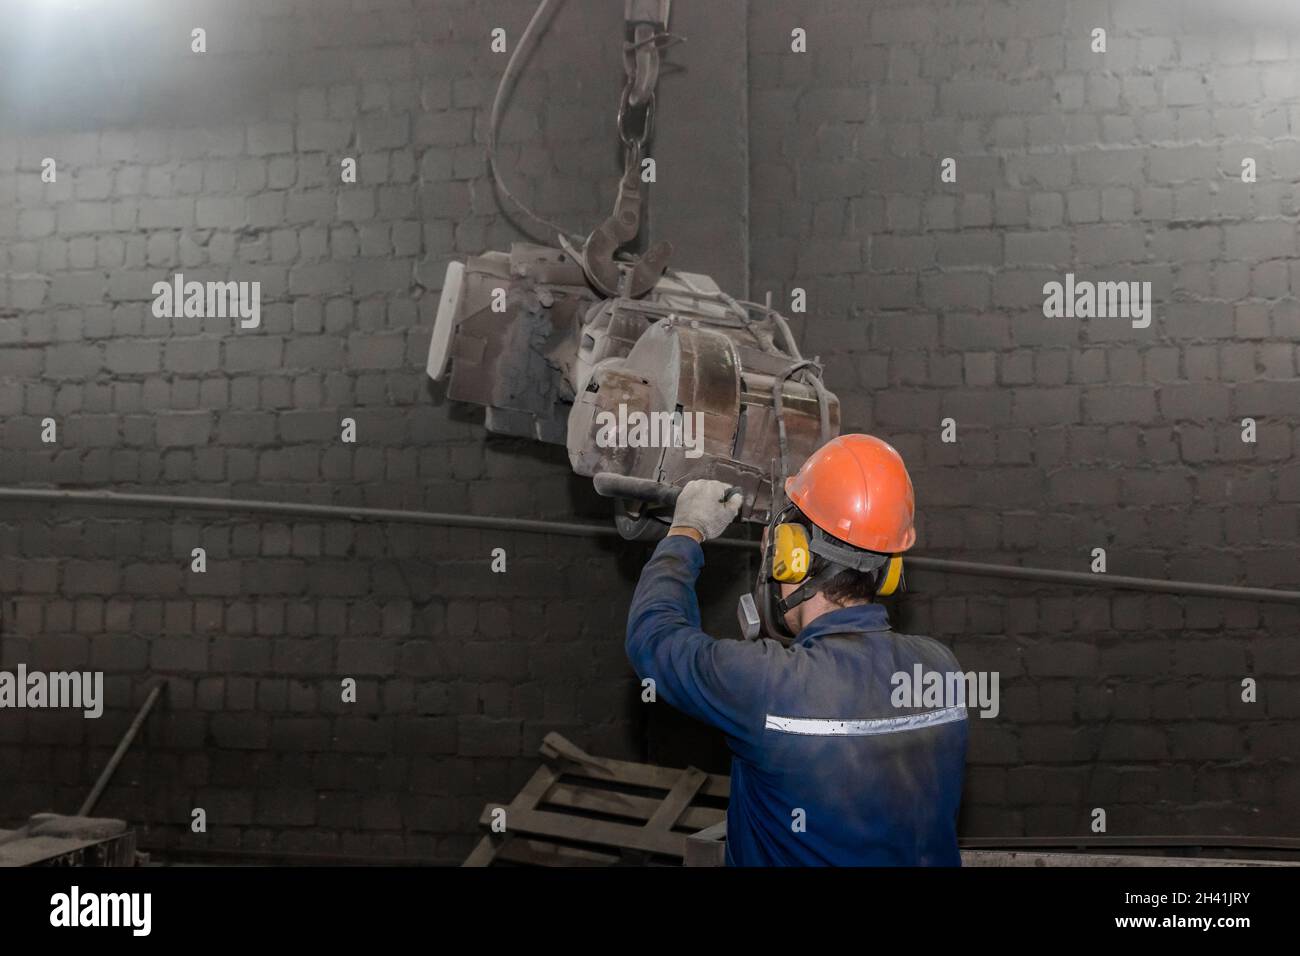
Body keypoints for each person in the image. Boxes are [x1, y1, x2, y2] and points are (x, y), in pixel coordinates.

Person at [626, 434, 967, 865]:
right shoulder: (941, 670)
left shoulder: (768, 684)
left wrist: (685, 532)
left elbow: (652, 638)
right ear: (889, 568)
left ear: (794, 557)